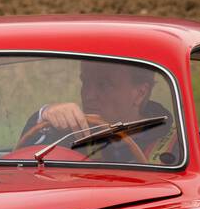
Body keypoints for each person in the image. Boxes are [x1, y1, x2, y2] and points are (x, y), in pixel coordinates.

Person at [19, 60, 177, 162]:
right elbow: (21, 166)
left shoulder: (180, 145)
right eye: (85, 82)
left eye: (104, 85)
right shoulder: (68, 135)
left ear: (140, 93)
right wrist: (45, 115)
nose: (88, 95)